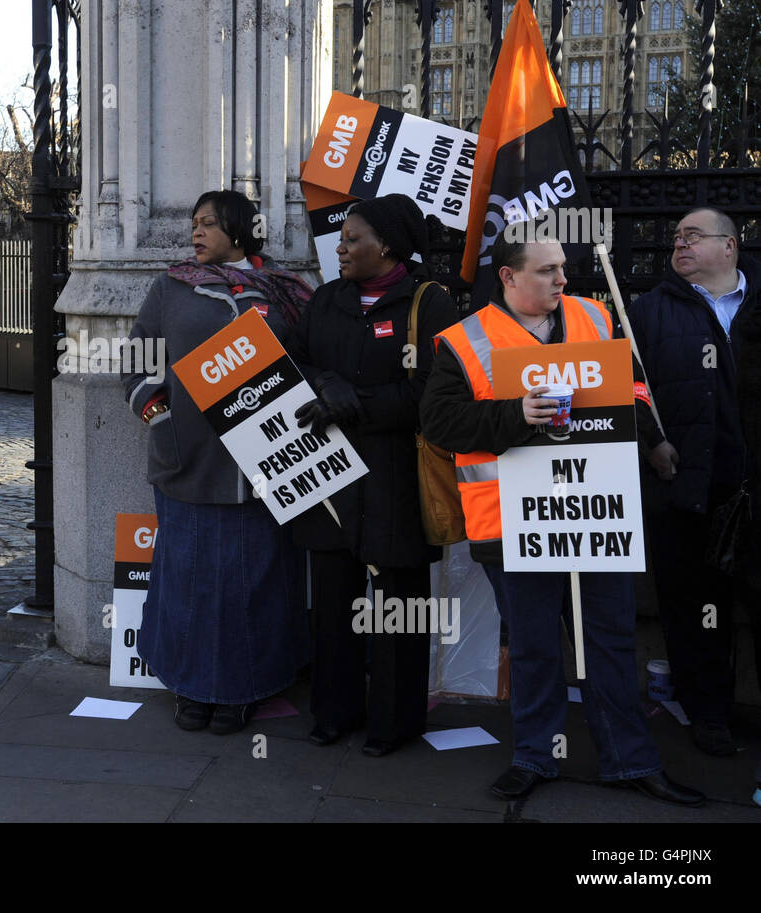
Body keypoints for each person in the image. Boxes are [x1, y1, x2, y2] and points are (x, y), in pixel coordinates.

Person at [420, 235, 703, 805]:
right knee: (533, 646)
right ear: (507, 277)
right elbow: (441, 422)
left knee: (611, 640)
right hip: (511, 525)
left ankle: (630, 760)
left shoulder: (594, 316)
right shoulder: (462, 340)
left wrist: (653, 439)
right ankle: (535, 757)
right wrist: (514, 415)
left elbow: (635, 383)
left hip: (595, 513)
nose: (562, 281)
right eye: (547, 271)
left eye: (564, 271)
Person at [122, 189, 314, 734]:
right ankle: (190, 687)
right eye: (194, 222)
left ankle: (243, 689)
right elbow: (137, 361)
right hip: (189, 461)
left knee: (253, 582)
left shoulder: (289, 293)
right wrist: (160, 417)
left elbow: (312, 361)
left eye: (209, 223)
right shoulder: (170, 288)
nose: (196, 232)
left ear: (240, 229)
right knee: (189, 579)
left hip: (268, 466)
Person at [288, 194, 459, 755]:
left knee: (396, 606)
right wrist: (322, 385)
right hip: (330, 478)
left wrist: (354, 401)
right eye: (342, 238)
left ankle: (394, 722)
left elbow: (432, 394)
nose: (340, 247)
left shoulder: (429, 303)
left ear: (385, 246)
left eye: (353, 238)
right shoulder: (327, 299)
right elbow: (293, 362)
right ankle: (333, 712)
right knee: (333, 602)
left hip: (397, 479)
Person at [628, 207, 761, 757]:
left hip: (752, 491)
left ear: (729, 247)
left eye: (694, 236)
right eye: (676, 238)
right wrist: (651, 441)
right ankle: (707, 714)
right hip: (683, 487)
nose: (679, 245)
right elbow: (624, 385)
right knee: (692, 607)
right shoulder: (650, 311)